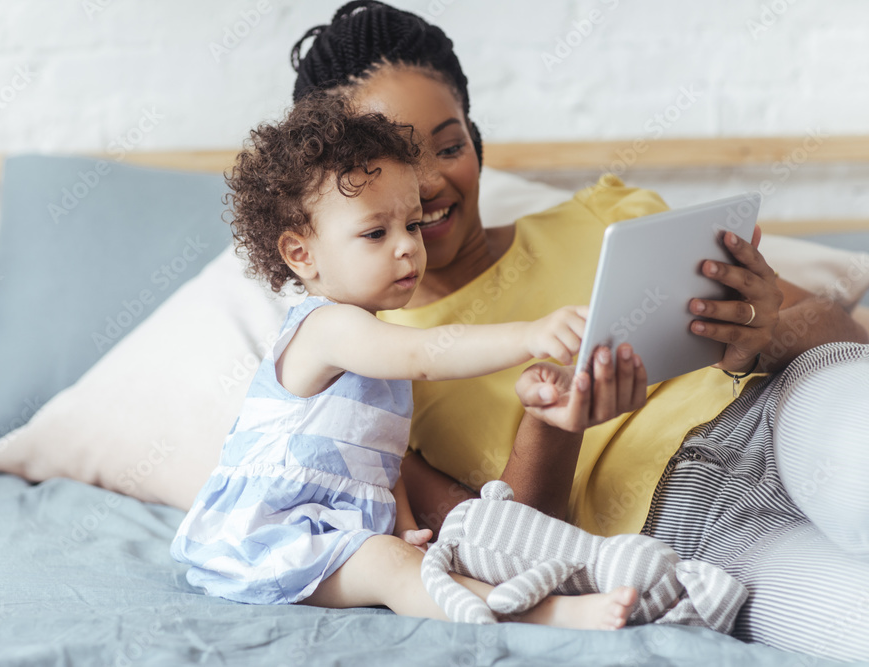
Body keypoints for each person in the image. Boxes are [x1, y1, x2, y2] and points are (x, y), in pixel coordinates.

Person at [289, 1, 869, 660]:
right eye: (395, 159)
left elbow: (839, 325)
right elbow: (507, 553)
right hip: (691, 532)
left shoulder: (603, 215)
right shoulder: (374, 368)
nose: (429, 182)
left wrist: (761, 334)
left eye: (450, 146)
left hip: (782, 408)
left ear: (474, 141)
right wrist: (557, 425)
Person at [171, 94, 641, 629]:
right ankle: (548, 615)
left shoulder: (369, 337)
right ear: (301, 254)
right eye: (376, 233)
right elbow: (425, 355)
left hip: (333, 531)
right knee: (391, 567)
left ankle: (519, 587)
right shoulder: (329, 328)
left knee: (410, 555)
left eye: (412, 225)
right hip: (268, 539)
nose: (407, 248)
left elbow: (380, 459)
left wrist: (406, 525)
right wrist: (529, 334)